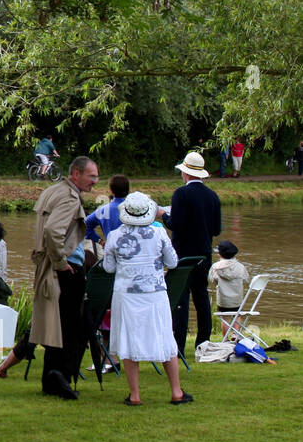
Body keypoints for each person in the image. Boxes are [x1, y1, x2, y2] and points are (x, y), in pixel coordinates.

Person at [103, 192, 191, 405]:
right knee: (164, 337)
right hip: (154, 294)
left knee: (128, 340)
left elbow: (108, 267)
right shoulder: (159, 234)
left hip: (126, 295)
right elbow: (173, 262)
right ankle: (176, 392)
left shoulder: (115, 236)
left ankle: (135, 395)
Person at [30, 155, 98, 400]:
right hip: (66, 269)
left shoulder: (52, 191)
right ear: (76, 174)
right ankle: (60, 379)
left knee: (57, 325)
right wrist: (61, 262)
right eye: (91, 176)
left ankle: (51, 379)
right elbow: (52, 230)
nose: (95, 182)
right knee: (72, 328)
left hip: (49, 266)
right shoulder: (69, 198)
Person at [160, 151, 221, 353]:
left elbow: (175, 224)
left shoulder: (181, 194)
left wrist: (163, 215)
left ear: (185, 174)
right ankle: (203, 342)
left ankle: (178, 345)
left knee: (181, 299)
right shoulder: (213, 197)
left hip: (183, 255)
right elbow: (216, 230)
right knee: (202, 297)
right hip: (203, 254)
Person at [86, 174, 129, 245]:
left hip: (111, 251)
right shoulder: (134, 208)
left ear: (111, 191)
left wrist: (100, 241)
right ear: (127, 190)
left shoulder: (103, 210)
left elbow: (85, 225)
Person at [210, 240, 249, 313]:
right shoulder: (241, 267)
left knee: (224, 318)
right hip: (237, 300)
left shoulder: (215, 267)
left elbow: (213, 281)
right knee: (237, 316)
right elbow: (245, 279)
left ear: (220, 254)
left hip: (223, 301)